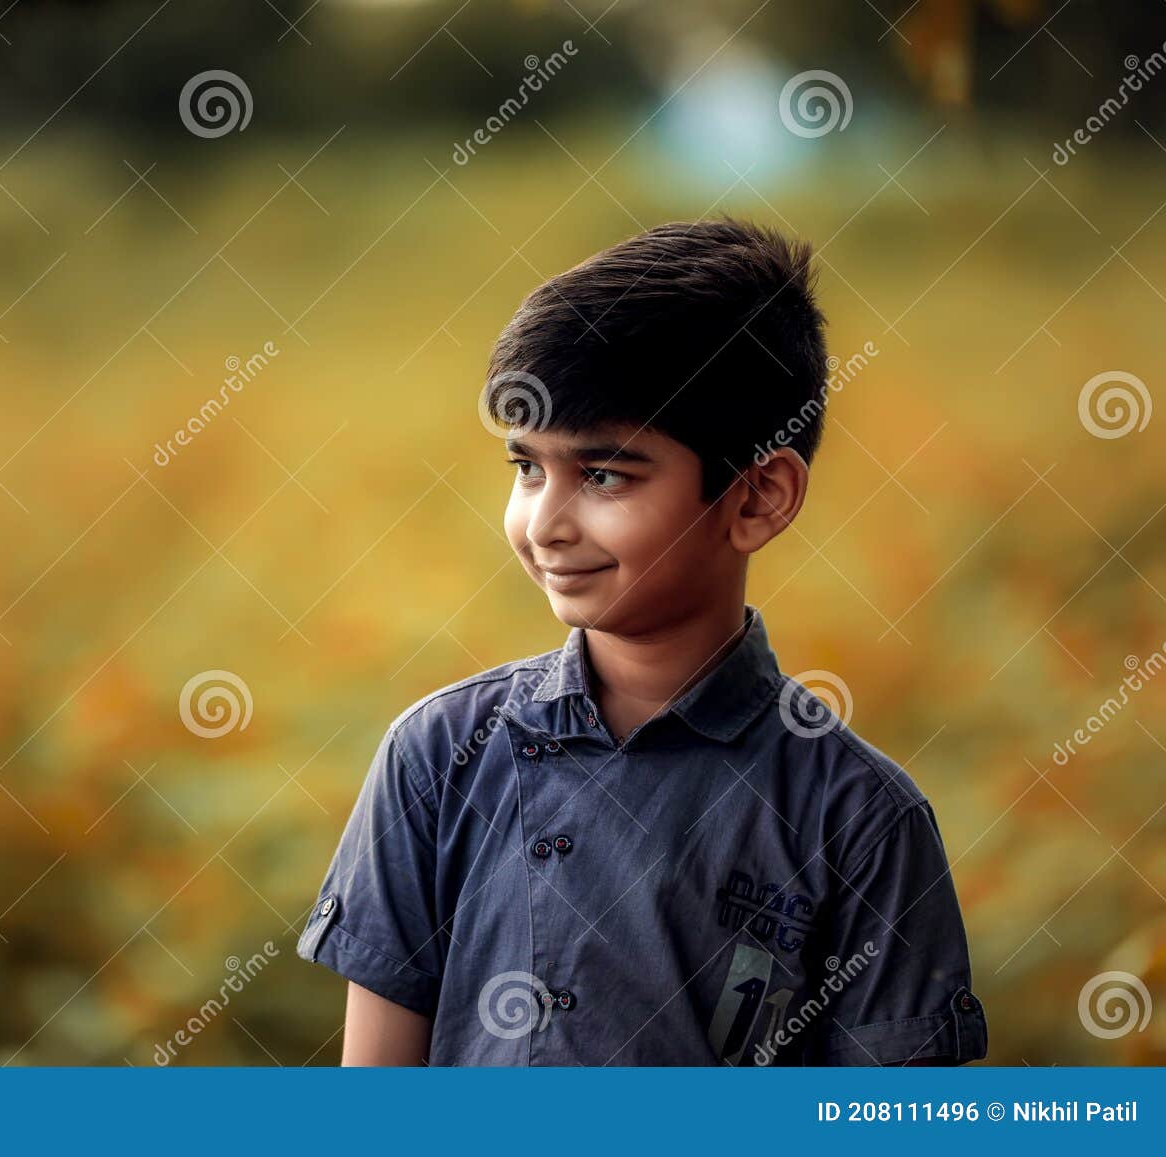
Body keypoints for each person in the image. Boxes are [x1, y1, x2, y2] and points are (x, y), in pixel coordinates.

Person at [295, 218, 987, 1066]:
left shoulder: (858, 820)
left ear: (758, 496)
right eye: (526, 469)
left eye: (604, 475)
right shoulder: (438, 757)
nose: (544, 523)